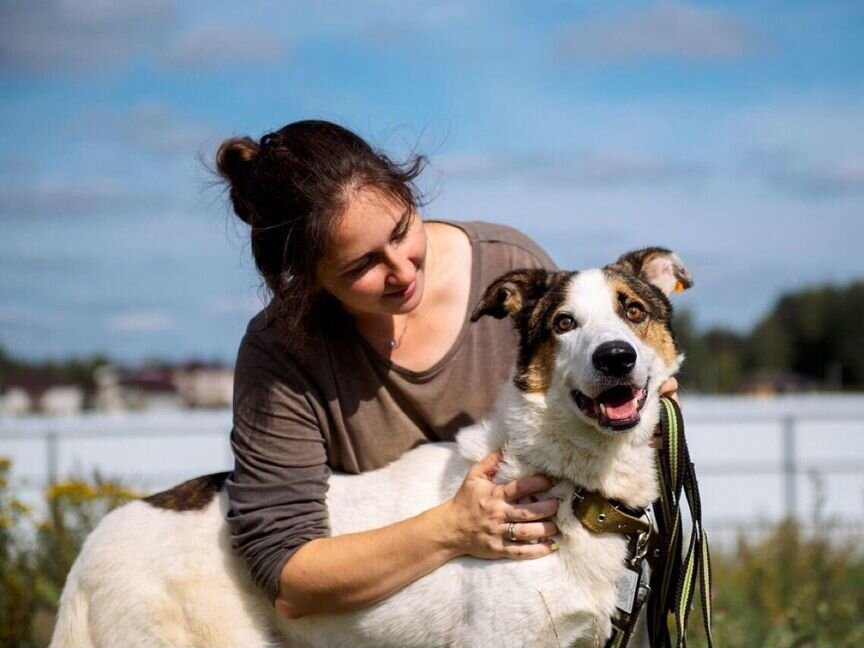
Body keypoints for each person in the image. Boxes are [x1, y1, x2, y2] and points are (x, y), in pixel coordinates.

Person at [216, 119, 678, 620]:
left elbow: (594, 356)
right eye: (361, 266)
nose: (402, 269)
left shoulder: (510, 261)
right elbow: (289, 575)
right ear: (306, 280)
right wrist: (450, 530)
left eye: (401, 231)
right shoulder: (280, 351)